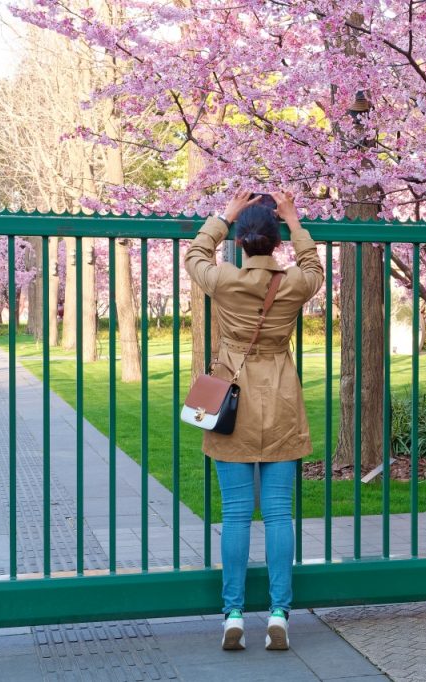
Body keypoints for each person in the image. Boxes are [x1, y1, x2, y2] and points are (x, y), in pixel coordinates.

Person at [185, 188, 324, 651]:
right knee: (280, 514)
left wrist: (224, 216)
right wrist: (295, 220)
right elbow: (315, 269)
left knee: (237, 515)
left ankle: (233, 616)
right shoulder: (293, 285)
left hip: (234, 403)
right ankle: (280, 612)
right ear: (276, 242)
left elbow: (195, 254)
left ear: (242, 243)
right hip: (281, 400)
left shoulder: (225, 280)